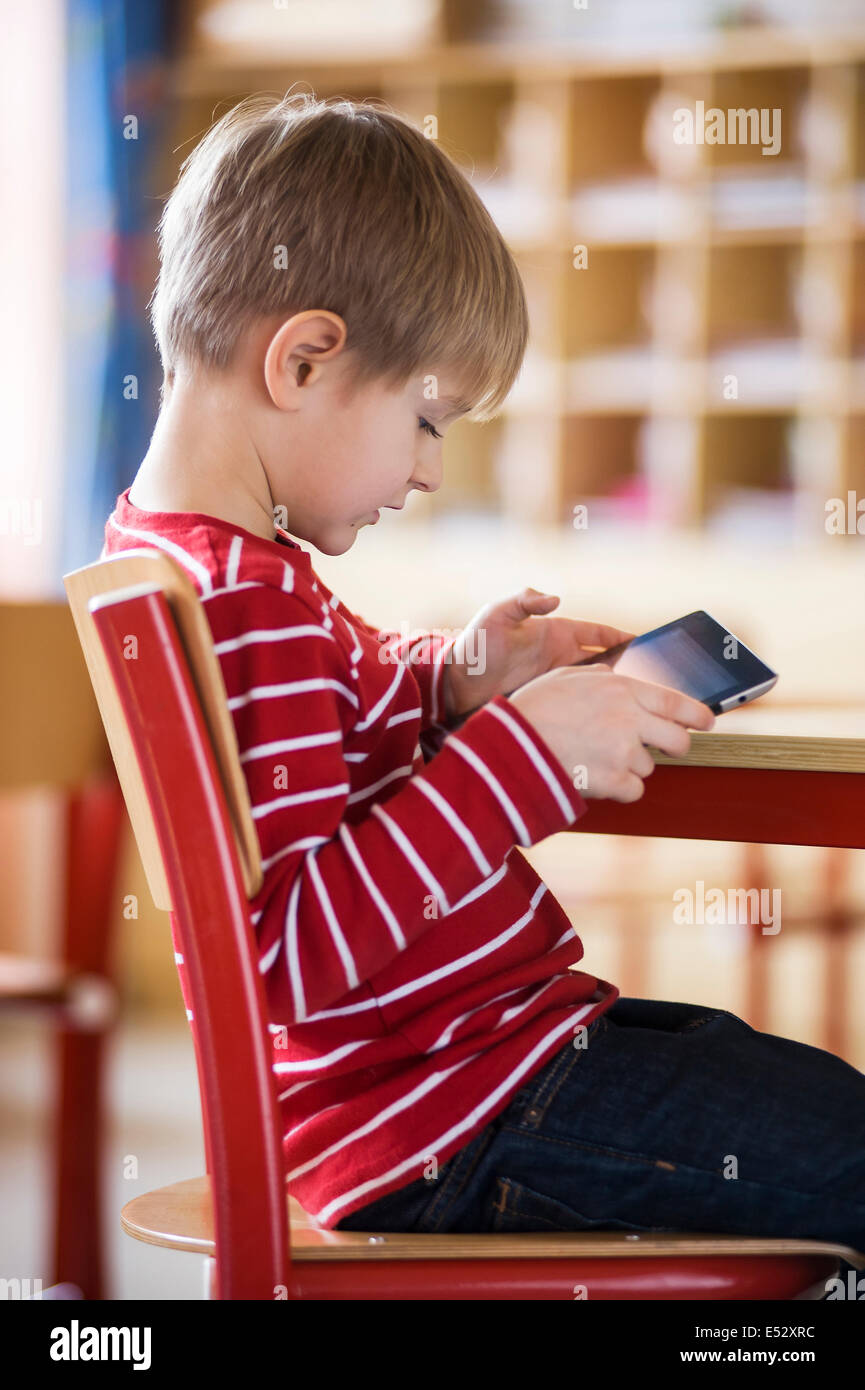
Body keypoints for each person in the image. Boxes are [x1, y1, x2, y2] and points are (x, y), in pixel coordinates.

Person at [102, 92, 865, 1281]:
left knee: (778, 1086)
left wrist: (456, 680)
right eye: (424, 419)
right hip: (456, 1118)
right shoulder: (242, 600)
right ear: (303, 358)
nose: (425, 470)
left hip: (484, 1075)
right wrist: (519, 758)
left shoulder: (200, 563)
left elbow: (328, 724)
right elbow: (286, 955)